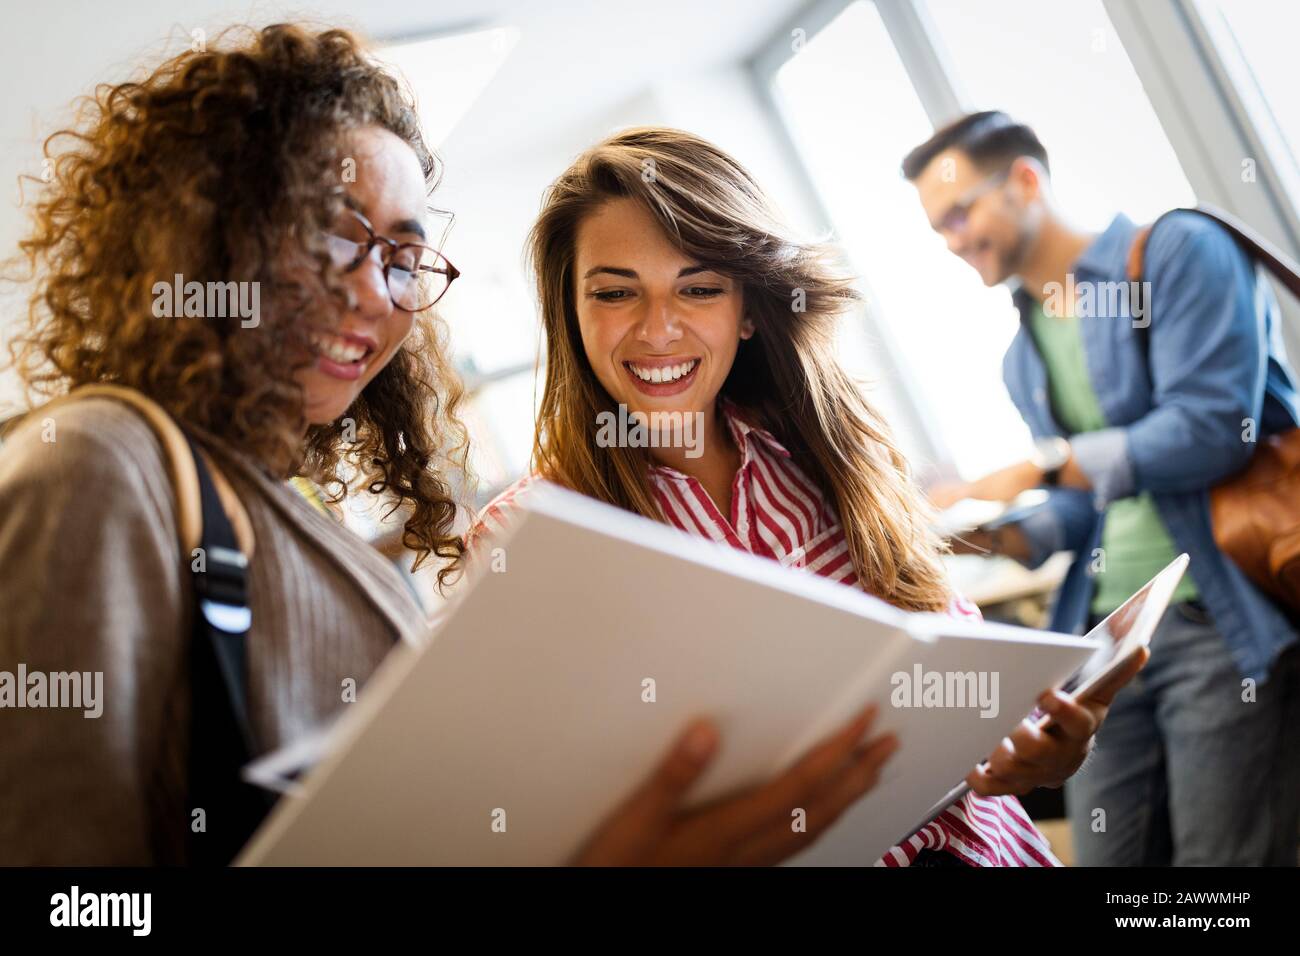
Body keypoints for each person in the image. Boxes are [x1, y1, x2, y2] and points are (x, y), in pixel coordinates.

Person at [0, 24, 901, 867]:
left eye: (401, 256)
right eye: (328, 234)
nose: (373, 292)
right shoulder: (96, 460)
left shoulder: (282, 513)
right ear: (207, 236)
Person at [469, 126, 1145, 866]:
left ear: (749, 309)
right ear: (570, 311)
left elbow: (956, 680)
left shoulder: (829, 451)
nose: (658, 328)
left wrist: (1033, 744)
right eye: (614, 292)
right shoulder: (526, 537)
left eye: (698, 288)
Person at [902, 110, 1300, 865]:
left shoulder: (1179, 250)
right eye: (938, 229)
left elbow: (1215, 426)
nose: (954, 240)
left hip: (1216, 618)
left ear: (1025, 180)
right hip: (1102, 648)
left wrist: (1037, 464)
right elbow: (1083, 509)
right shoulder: (1022, 357)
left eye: (960, 212)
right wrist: (977, 529)